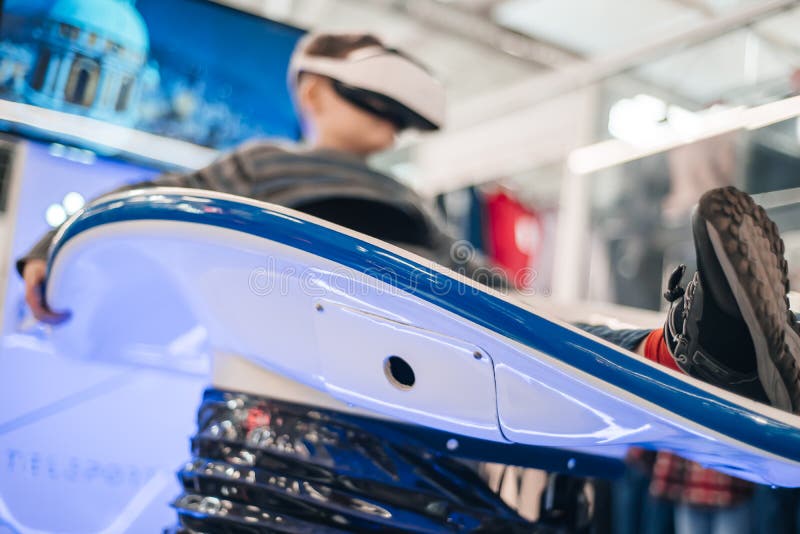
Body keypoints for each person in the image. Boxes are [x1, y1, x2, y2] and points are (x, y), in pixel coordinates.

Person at [16, 32, 800, 531]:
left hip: (409, 334)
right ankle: (692, 347)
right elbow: (148, 204)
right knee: (529, 328)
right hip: (339, 332)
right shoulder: (260, 167)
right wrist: (52, 246)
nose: (390, 130)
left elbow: (493, 295)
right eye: (379, 109)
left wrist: (52, 249)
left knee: (533, 329)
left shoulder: (398, 200)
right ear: (314, 93)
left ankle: (702, 347)